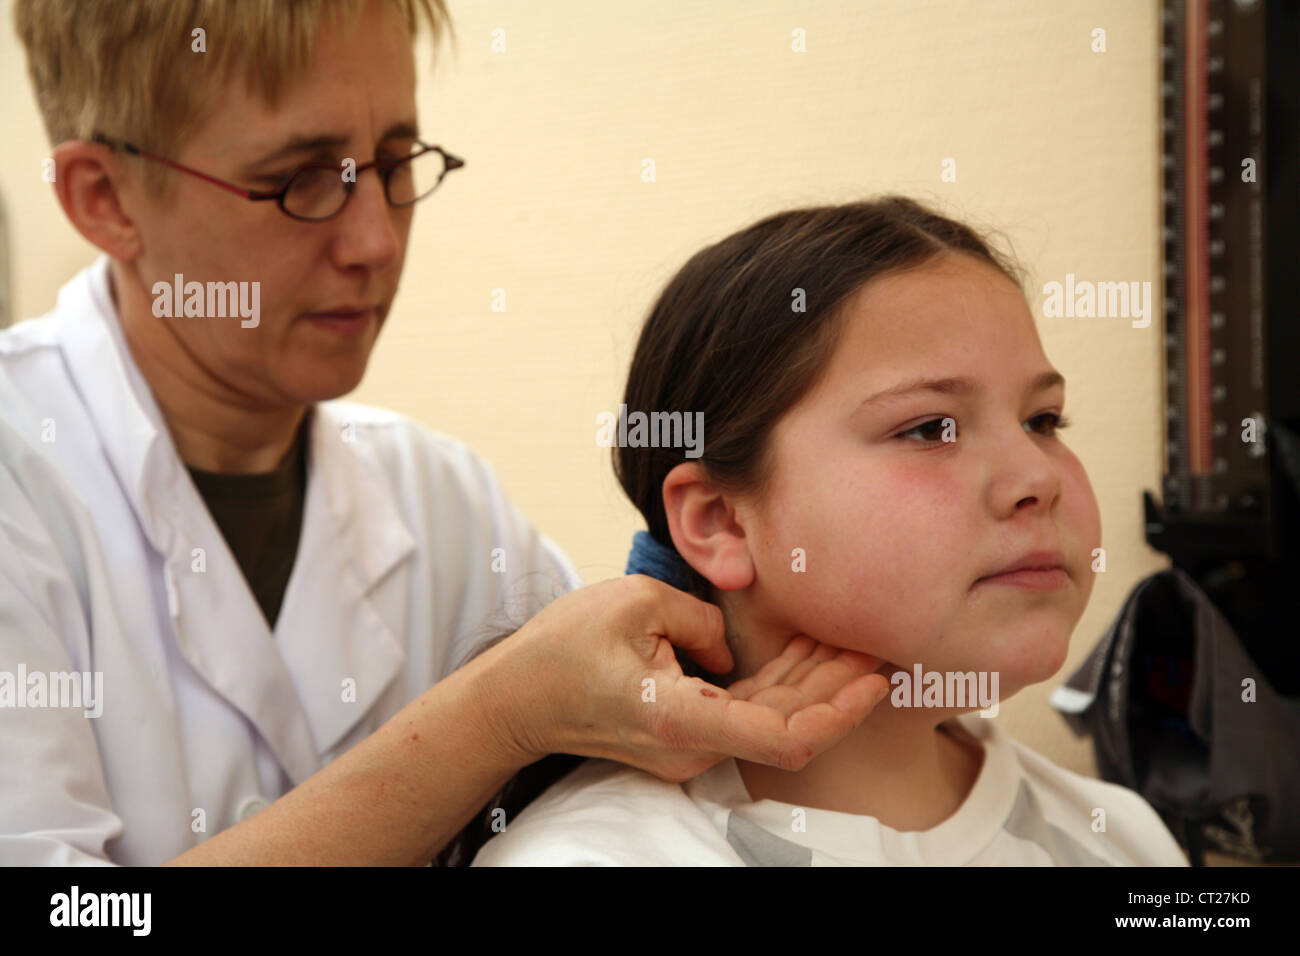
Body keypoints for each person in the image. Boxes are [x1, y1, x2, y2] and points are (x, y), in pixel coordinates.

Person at [0, 0, 889, 866]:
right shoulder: (22, 472)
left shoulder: (442, 498)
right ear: (104, 196)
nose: (376, 241)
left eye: (393, 163)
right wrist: (494, 716)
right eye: (303, 180)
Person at [465, 197, 1191, 866]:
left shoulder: (1123, 835)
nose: (1037, 476)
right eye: (931, 427)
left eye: (1043, 420)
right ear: (720, 521)